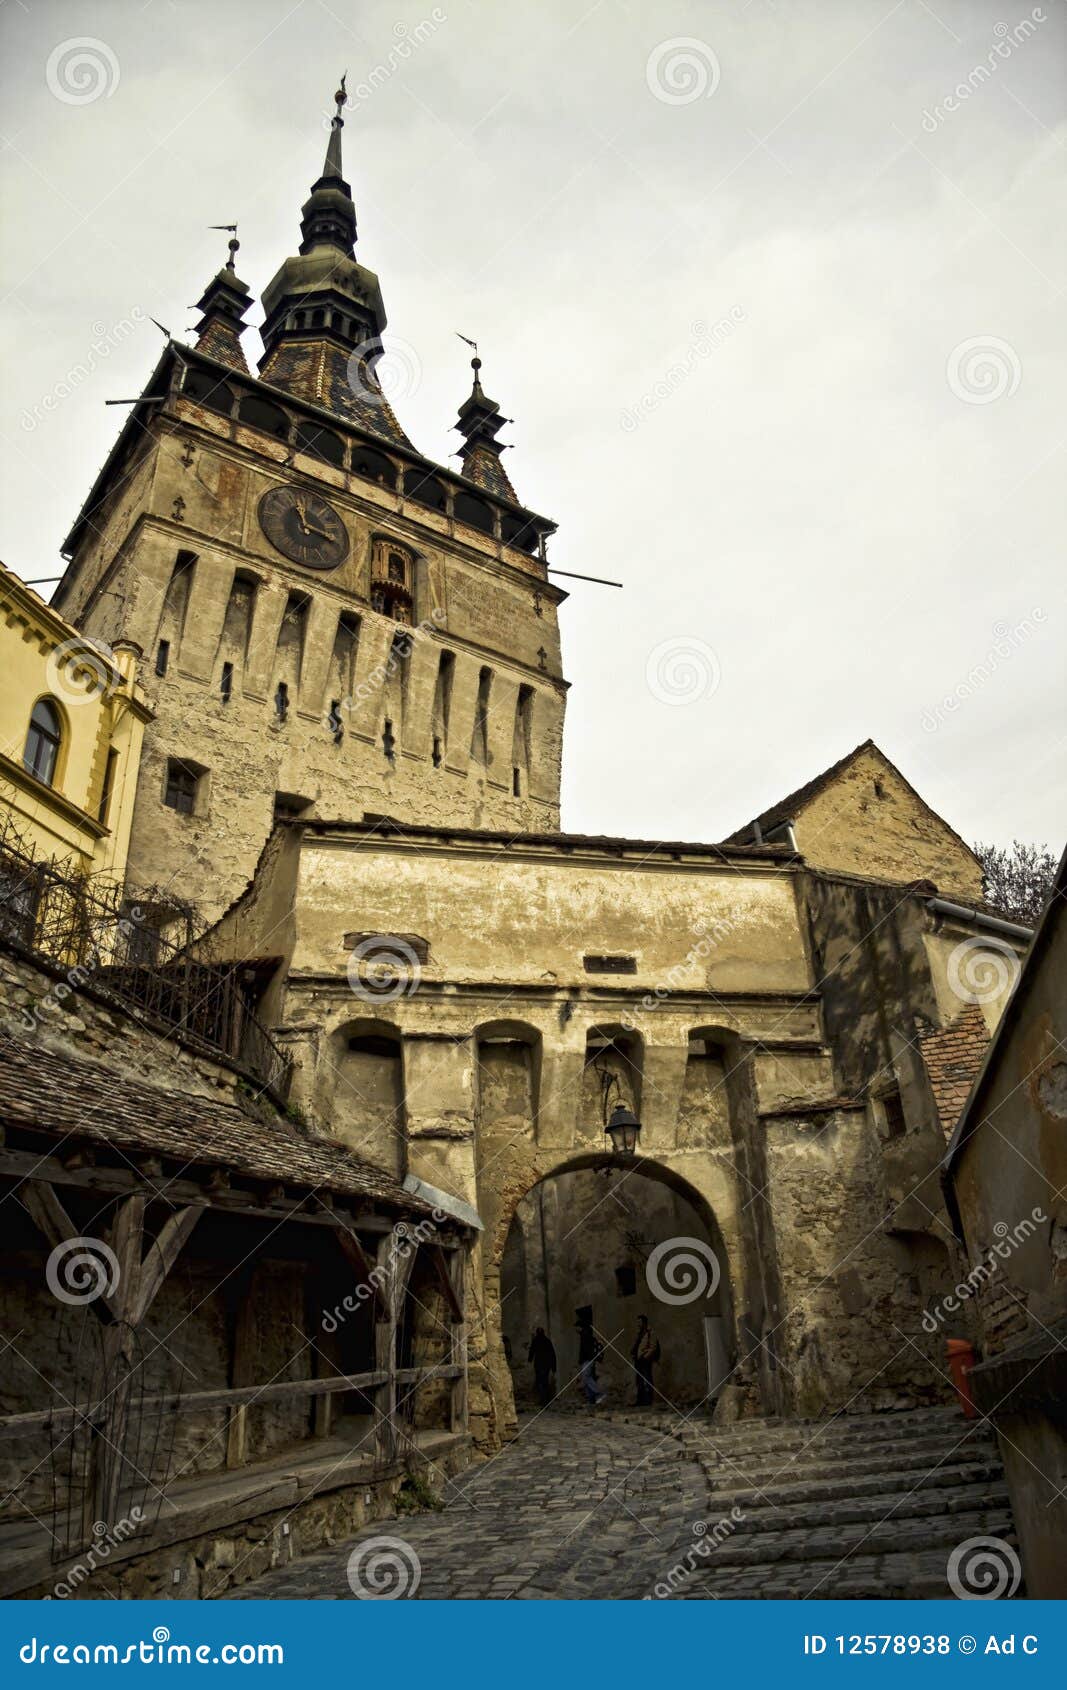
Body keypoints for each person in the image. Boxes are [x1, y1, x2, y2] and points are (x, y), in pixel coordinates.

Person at [576, 1310, 606, 1406]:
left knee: (586, 1378)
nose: (575, 1329)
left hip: (588, 1360)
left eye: (576, 1327)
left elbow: (586, 1350)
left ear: (579, 1327)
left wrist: (586, 1359)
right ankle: (591, 1399)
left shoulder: (585, 1335)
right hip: (587, 1360)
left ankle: (599, 1393)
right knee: (587, 1378)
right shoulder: (585, 1335)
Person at [632, 1314, 659, 1406]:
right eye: (637, 1322)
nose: (638, 1324)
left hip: (645, 1360)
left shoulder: (650, 1332)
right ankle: (640, 1400)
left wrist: (645, 1357)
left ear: (644, 1322)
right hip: (638, 1360)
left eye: (639, 1322)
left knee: (647, 1380)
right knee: (639, 1381)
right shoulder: (639, 1333)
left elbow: (653, 1347)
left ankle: (648, 1400)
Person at [527, 1326, 557, 1406]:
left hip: (539, 1365)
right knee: (545, 1382)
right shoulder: (547, 1341)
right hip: (546, 1365)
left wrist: (529, 1360)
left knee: (540, 1382)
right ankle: (545, 1400)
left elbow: (531, 1351)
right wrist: (553, 1367)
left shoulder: (535, 1341)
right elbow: (552, 1354)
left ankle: (543, 1400)